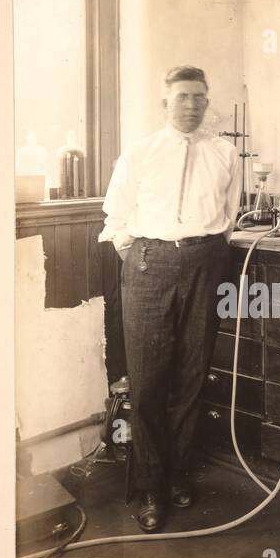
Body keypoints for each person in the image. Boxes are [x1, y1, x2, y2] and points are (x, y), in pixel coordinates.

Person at [98, 65, 241, 532]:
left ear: (207, 100)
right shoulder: (139, 153)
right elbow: (116, 219)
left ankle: (178, 473)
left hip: (205, 262)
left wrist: (206, 254)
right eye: (182, 96)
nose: (192, 104)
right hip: (149, 264)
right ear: (165, 103)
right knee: (149, 379)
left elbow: (228, 215)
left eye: (200, 96)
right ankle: (149, 487)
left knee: (192, 376)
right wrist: (143, 254)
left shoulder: (224, 153)